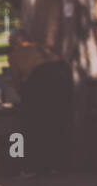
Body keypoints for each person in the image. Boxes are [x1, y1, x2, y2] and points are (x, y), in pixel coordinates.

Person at [8, 28, 72, 172]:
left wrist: (22, 98)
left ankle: (34, 165)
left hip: (42, 78)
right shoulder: (40, 46)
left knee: (36, 124)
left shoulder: (15, 54)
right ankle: (59, 164)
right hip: (62, 75)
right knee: (57, 122)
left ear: (15, 41)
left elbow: (16, 80)